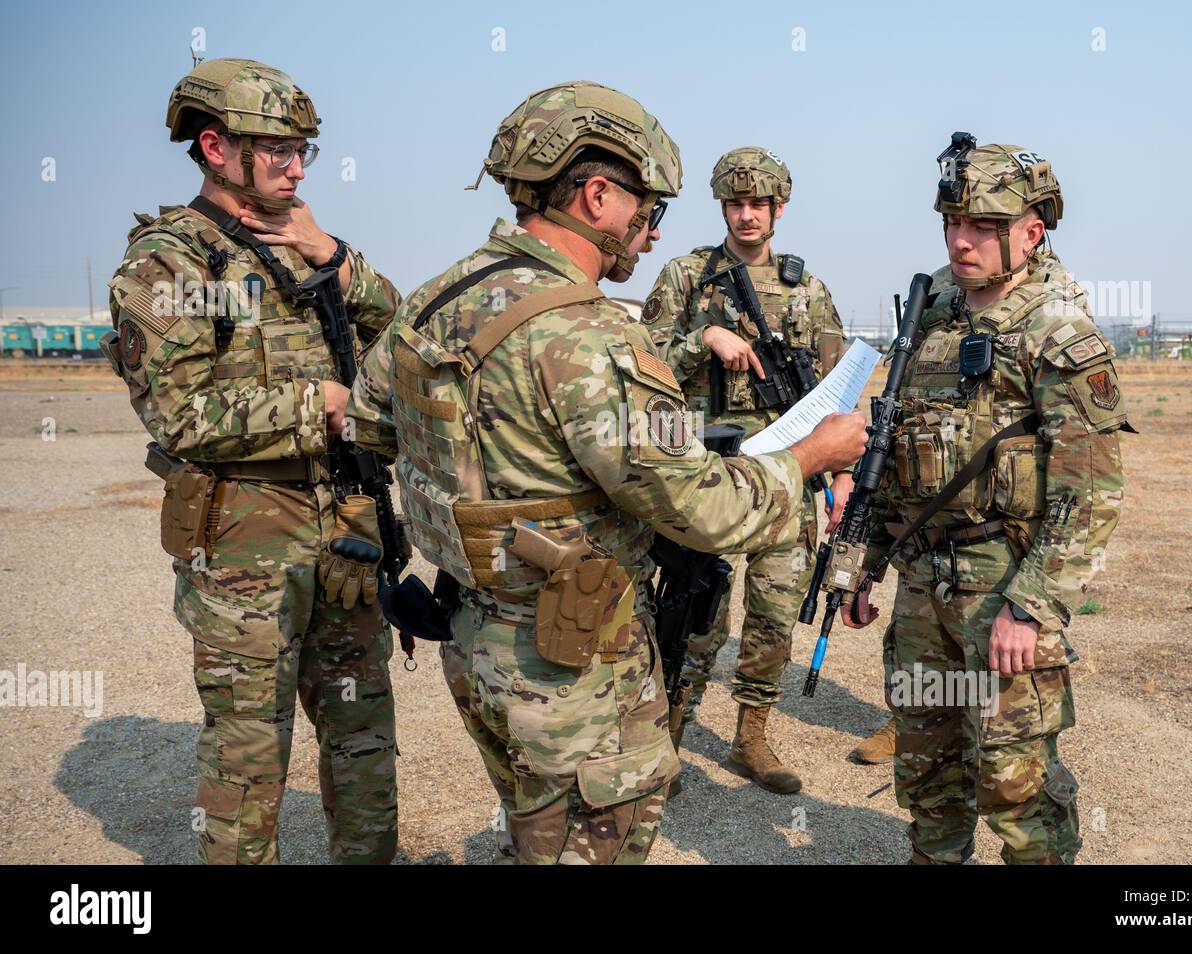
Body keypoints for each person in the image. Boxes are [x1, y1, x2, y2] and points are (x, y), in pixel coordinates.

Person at [345, 82, 867, 864]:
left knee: (534, 834)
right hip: (569, 665)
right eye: (647, 212)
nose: (650, 236)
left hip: (471, 632)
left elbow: (372, 424)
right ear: (596, 196)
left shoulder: (437, 296)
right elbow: (698, 508)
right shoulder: (588, 338)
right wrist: (809, 459)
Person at [101, 58, 400, 864]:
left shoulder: (307, 245)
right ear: (213, 147)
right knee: (248, 753)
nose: (297, 165)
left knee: (363, 732)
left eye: (303, 147)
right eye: (276, 148)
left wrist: (334, 252)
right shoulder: (172, 261)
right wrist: (323, 406)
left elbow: (402, 337)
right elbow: (180, 413)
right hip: (242, 543)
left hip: (345, 527)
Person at [842, 134, 1131, 864]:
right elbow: (892, 450)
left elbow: (1088, 491)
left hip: (1002, 587)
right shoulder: (932, 319)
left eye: (984, 228)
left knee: (1014, 781)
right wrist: (862, 561)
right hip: (921, 586)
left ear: (1032, 234)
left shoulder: (1057, 334)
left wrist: (1030, 605)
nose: (961, 241)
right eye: (953, 223)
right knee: (925, 764)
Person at [641, 147, 850, 795]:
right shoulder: (684, 277)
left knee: (774, 611)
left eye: (758, 204)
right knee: (695, 610)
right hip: (705, 474)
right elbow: (635, 365)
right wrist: (699, 340)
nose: (747, 215)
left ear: (779, 208)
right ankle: (665, 739)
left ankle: (750, 737)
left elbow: (837, 391)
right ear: (722, 207)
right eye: (735, 204)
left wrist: (841, 478)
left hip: (790, 473)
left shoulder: (808, 291)